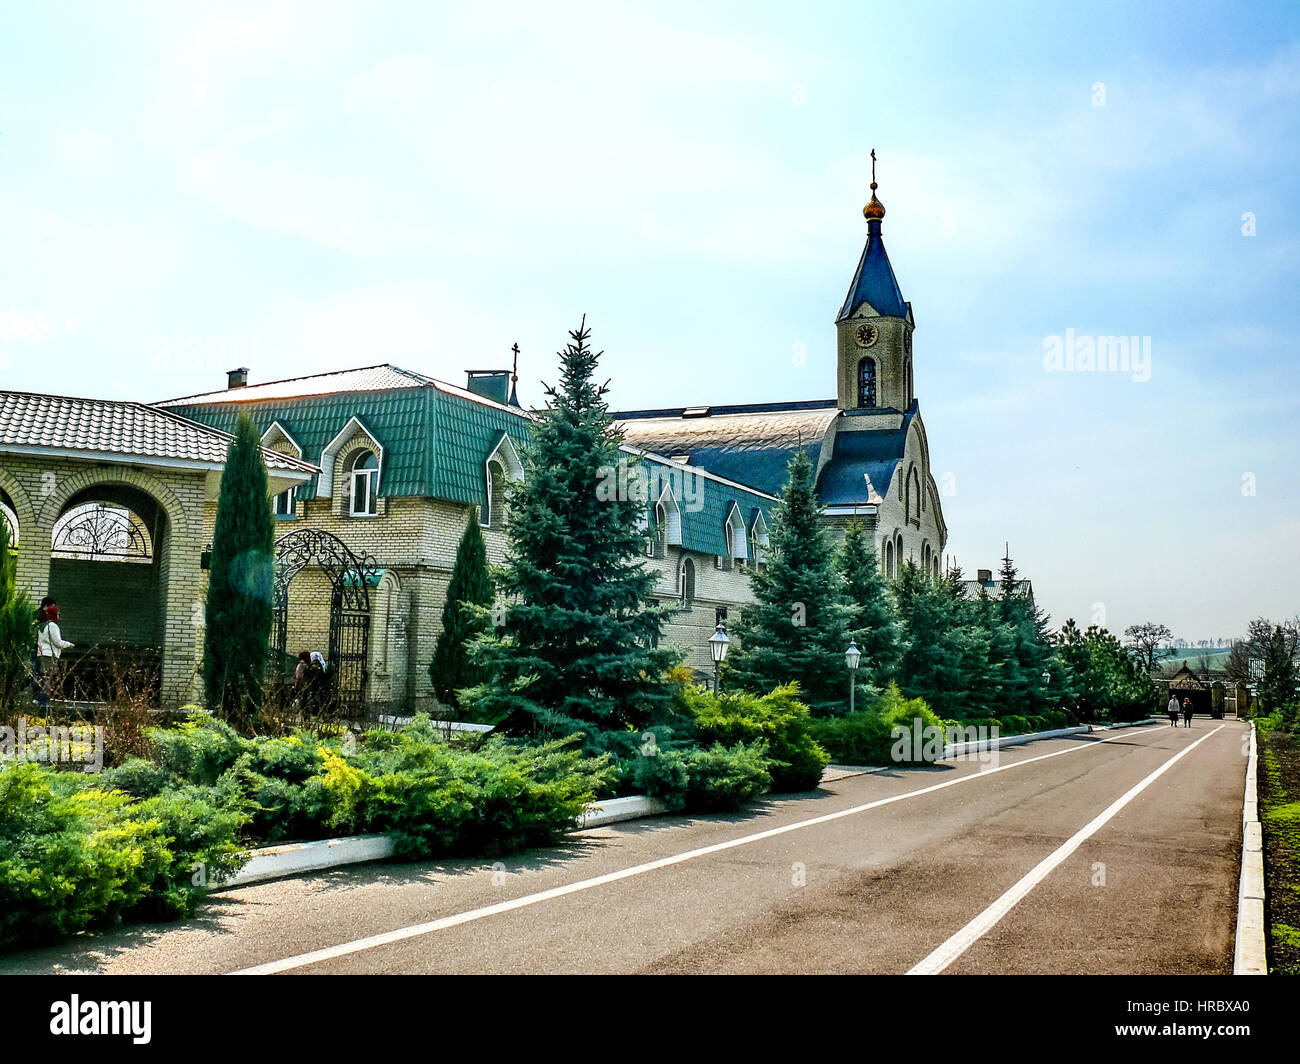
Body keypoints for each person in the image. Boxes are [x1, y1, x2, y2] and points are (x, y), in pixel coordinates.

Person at [34, 597, 74, 707]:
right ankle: (43, 701)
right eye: (58, 613)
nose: (59, 615)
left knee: (42, 678)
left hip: (41, 654)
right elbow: (58, 642)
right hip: (49, 655)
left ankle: (38, 699)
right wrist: (69, 644)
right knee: (48, 679)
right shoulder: (53, 626)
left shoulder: (42, 625)